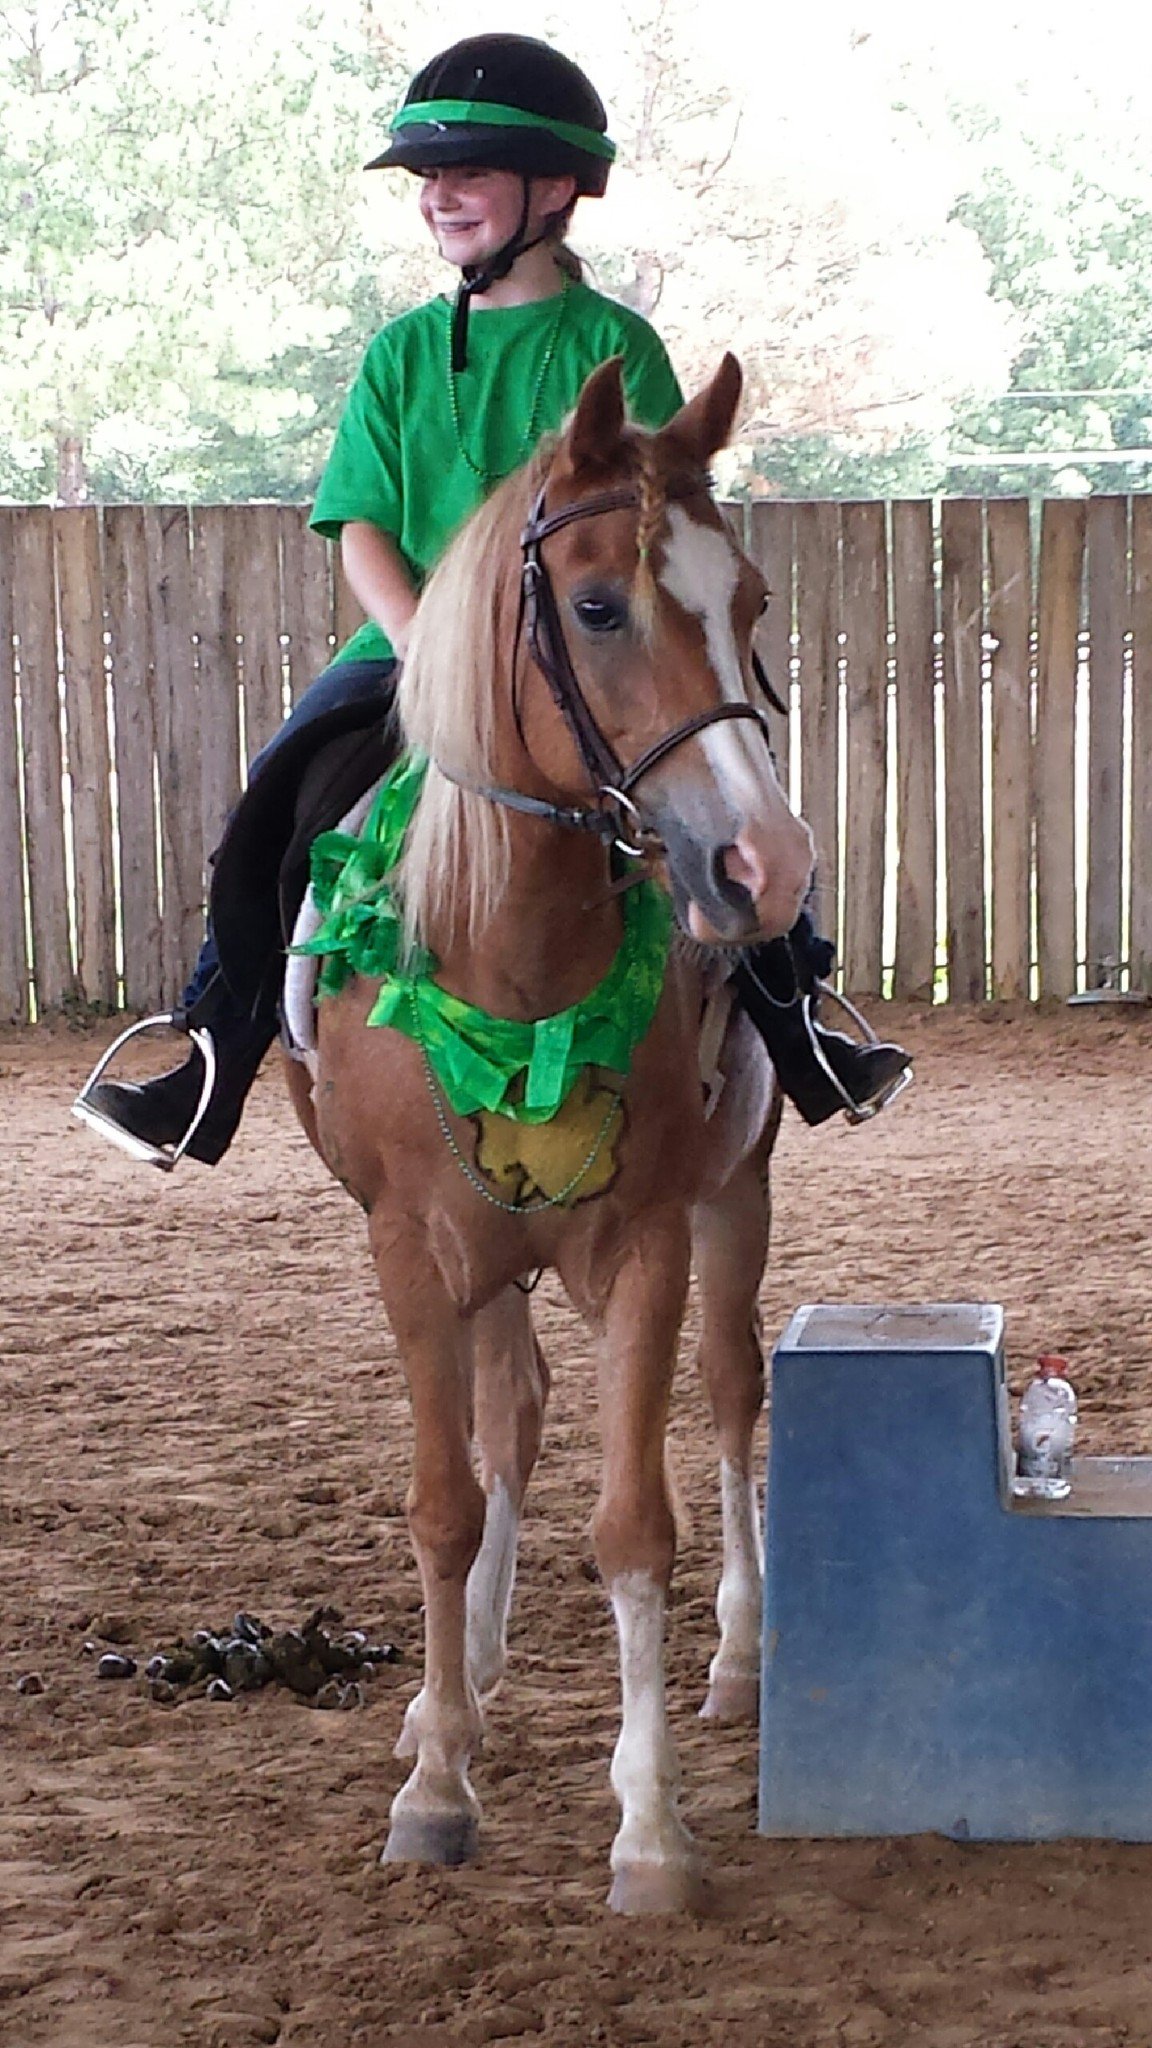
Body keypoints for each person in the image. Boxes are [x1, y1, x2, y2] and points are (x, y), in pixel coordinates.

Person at [82, 32, 910, 1168]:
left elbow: (658, 515)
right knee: (276, 801)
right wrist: (426, 648)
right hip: (408, 647)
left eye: (468, 172)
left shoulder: (614, 343)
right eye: (428, 176)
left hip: (588, 651)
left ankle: (798, 1017)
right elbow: (362, 525)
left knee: (718, 781)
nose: (439, 196)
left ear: (554, 189)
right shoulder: (399, 354)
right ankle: (210, 1054)